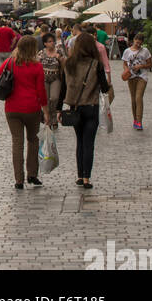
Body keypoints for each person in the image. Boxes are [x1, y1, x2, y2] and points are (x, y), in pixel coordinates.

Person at [0, 34, 49, 189]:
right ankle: (32, 175)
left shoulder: (10, 62)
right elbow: (41, 91)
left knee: (17, 143)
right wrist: (46, 111)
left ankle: (18, 180)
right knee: (33, 140)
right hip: (32, 108)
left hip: (12, 109)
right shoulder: (37, 66)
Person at [62, 30, 109, 188]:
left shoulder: (69, 63)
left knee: (80, 142)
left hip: (75, 108)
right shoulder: (96, 64)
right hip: (91, 107)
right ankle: (87, 178)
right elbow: (104, 88)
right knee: (88, 143)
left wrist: (57, 109)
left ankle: (80, 176)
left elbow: (63, 87)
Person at [121, 33, 152, 130]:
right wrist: (126, 70)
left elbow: (150, 64)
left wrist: (141, 66)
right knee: (133, 99)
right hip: (131, 77)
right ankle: (135, 119)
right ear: (134, 40)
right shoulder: (127, 51)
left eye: (140, 43)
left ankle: (139, 121)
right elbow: (125, 63)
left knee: (139, 98)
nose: (138, 45)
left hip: (142, 77)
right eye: (137, 42)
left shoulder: (145, 51)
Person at [38, 33, 64, 128]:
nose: (52, 43)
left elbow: (64, 65)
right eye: (49, 41)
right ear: (45, 43)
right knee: (46, 100)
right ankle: (48, 119)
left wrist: (60, 59)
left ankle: (54, 118)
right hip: (44, 78)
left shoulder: (59, 51)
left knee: (54, 98)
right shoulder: (41, 53)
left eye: (53, 41)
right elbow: (36, 65)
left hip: (55, 78)